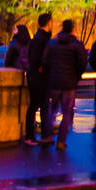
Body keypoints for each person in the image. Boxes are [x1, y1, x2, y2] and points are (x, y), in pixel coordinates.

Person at [40, 19, 86, 151]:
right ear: (72, 29)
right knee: (66, 112)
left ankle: (47, 136)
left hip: (54, 81)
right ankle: (61, 141)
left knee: (51, 111)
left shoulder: (52, 43)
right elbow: (82, 63)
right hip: (69, 83)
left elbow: (44, 61)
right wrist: (76, 76)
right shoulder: (76, 45)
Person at [23, 13, 52, 145]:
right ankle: (32, 136)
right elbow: (38, 60)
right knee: (37, 105)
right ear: (49, 23)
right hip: (39, 78)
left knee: (40, 106)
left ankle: (42, 135)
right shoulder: (43, 40)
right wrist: (42, 69)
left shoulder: (37, 38)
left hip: (36, 76)